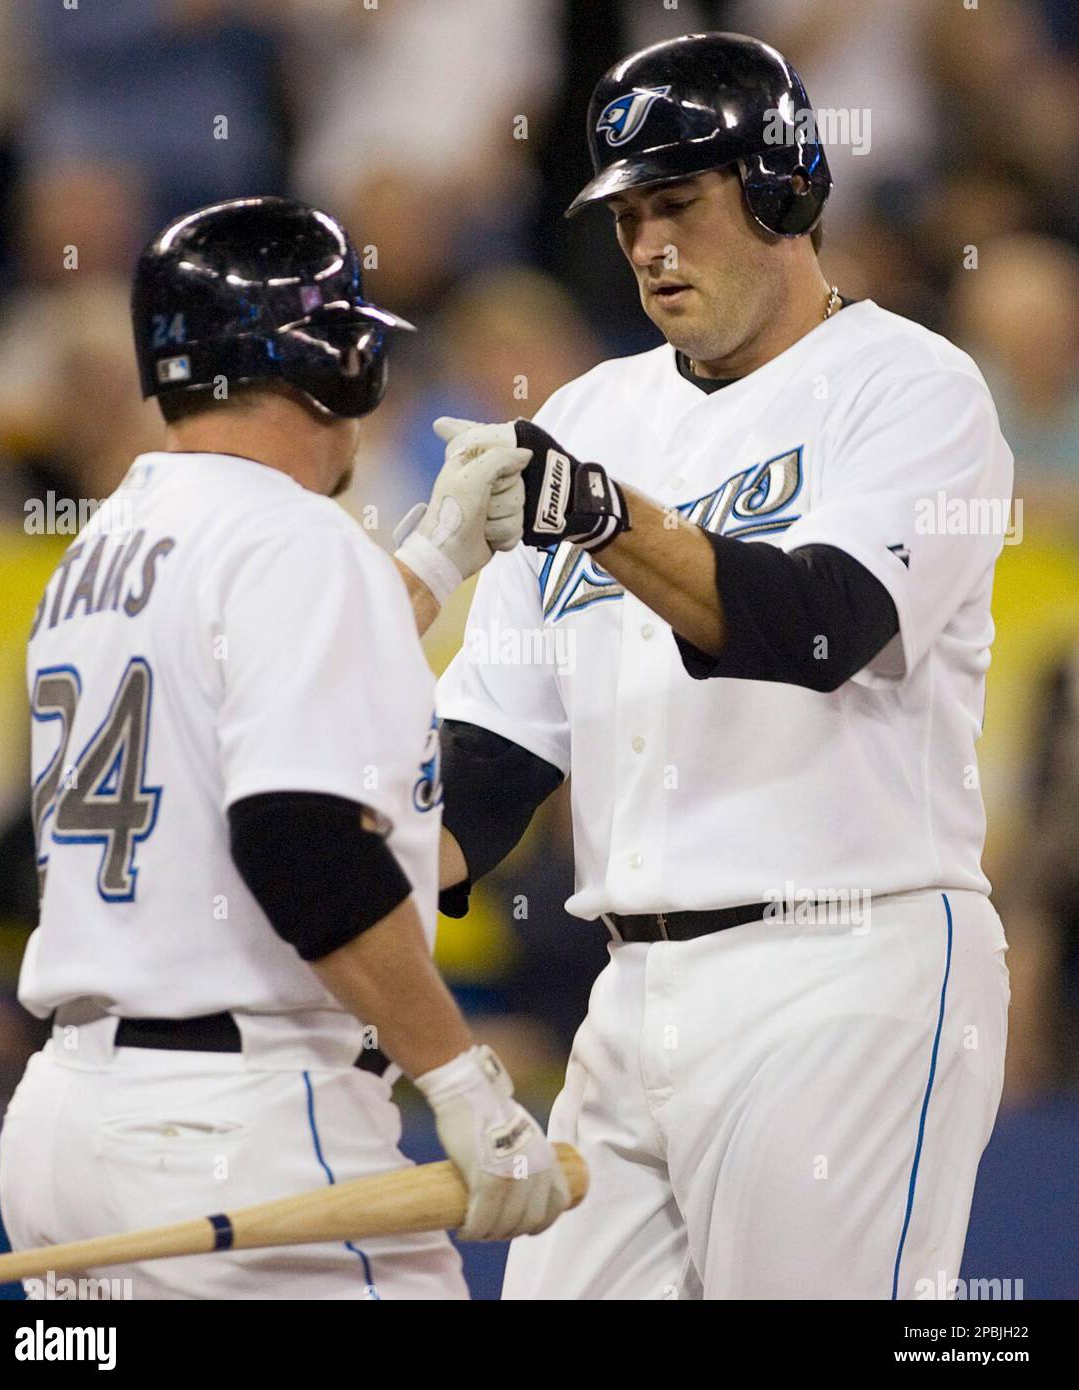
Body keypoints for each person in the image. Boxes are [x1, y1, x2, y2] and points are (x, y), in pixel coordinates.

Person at [419, 33, 1014, 1299]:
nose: (646, 244)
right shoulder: (588, 416)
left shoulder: (912, 387)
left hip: (848, 966)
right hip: (630, 992)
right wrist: (323, 876)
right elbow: (492, 761)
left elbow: (818, 626)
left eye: (678, 202)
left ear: (785, 188)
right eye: (627, 214)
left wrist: (598, 515)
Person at [0, 196, 568, 1302]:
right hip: (241, 1128)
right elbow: (301, 841)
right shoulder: (297, 537)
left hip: (68, 1120)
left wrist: (435, 561)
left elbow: (266, 680)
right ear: (337, 361)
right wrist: (463, 1083)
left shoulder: (100, 545)